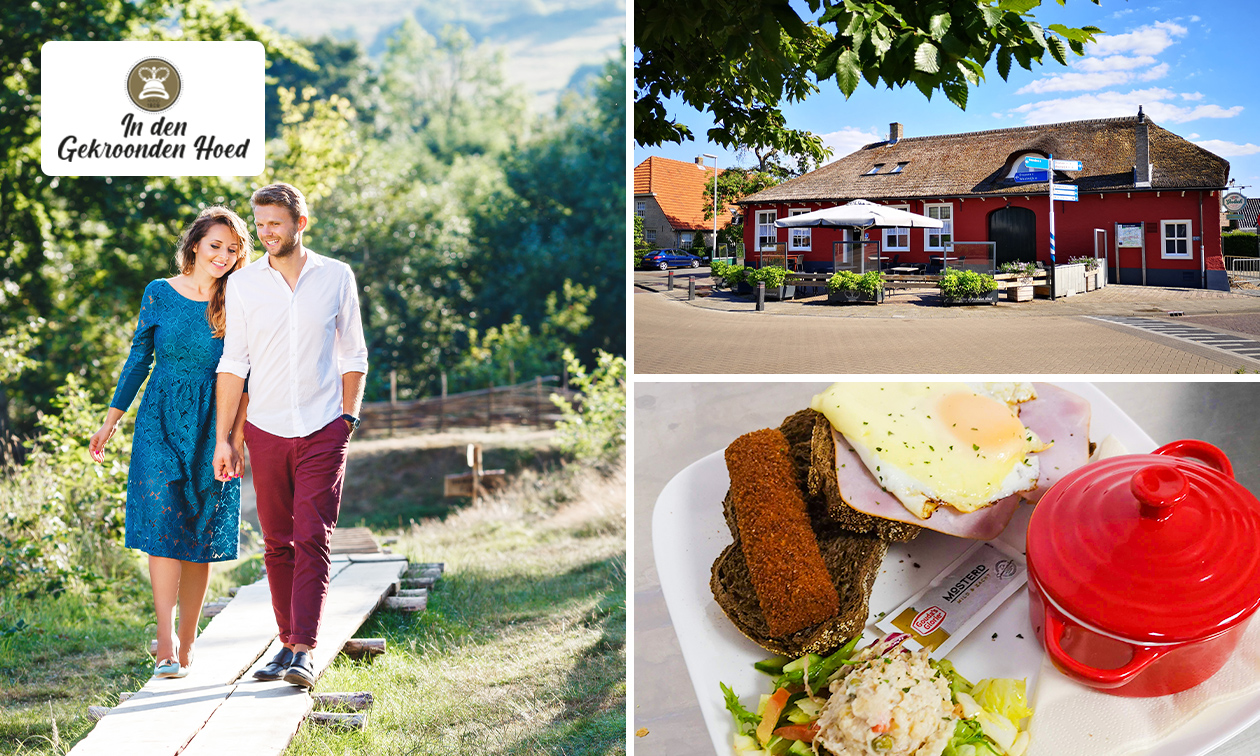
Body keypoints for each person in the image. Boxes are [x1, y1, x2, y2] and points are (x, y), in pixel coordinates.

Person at [213, 182, 367, 688]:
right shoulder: (244, 285)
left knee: (311, 535)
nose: (265, 233)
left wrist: (348, 419)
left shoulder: (337, 276)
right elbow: (235, 363)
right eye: (259, 224)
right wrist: (226, 438)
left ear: (301, 224)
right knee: (277, 542)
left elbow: (353, 354)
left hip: (324, 425)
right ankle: (286, 643)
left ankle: (304, 648)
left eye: (274, 224)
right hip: (266, 428)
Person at [89, 206, 252, 679]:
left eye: (232, 249)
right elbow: (138, 358)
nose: (222, 256)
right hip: (159, 419)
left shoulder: (238, 300)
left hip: (213, 426)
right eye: (215, 245)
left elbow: (245, 377)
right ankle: (165, 642)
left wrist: (234, 439)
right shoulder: (159, 293)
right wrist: (110, 421)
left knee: (198, 531)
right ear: (196, 244)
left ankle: (189, 639)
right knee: (163, 523)